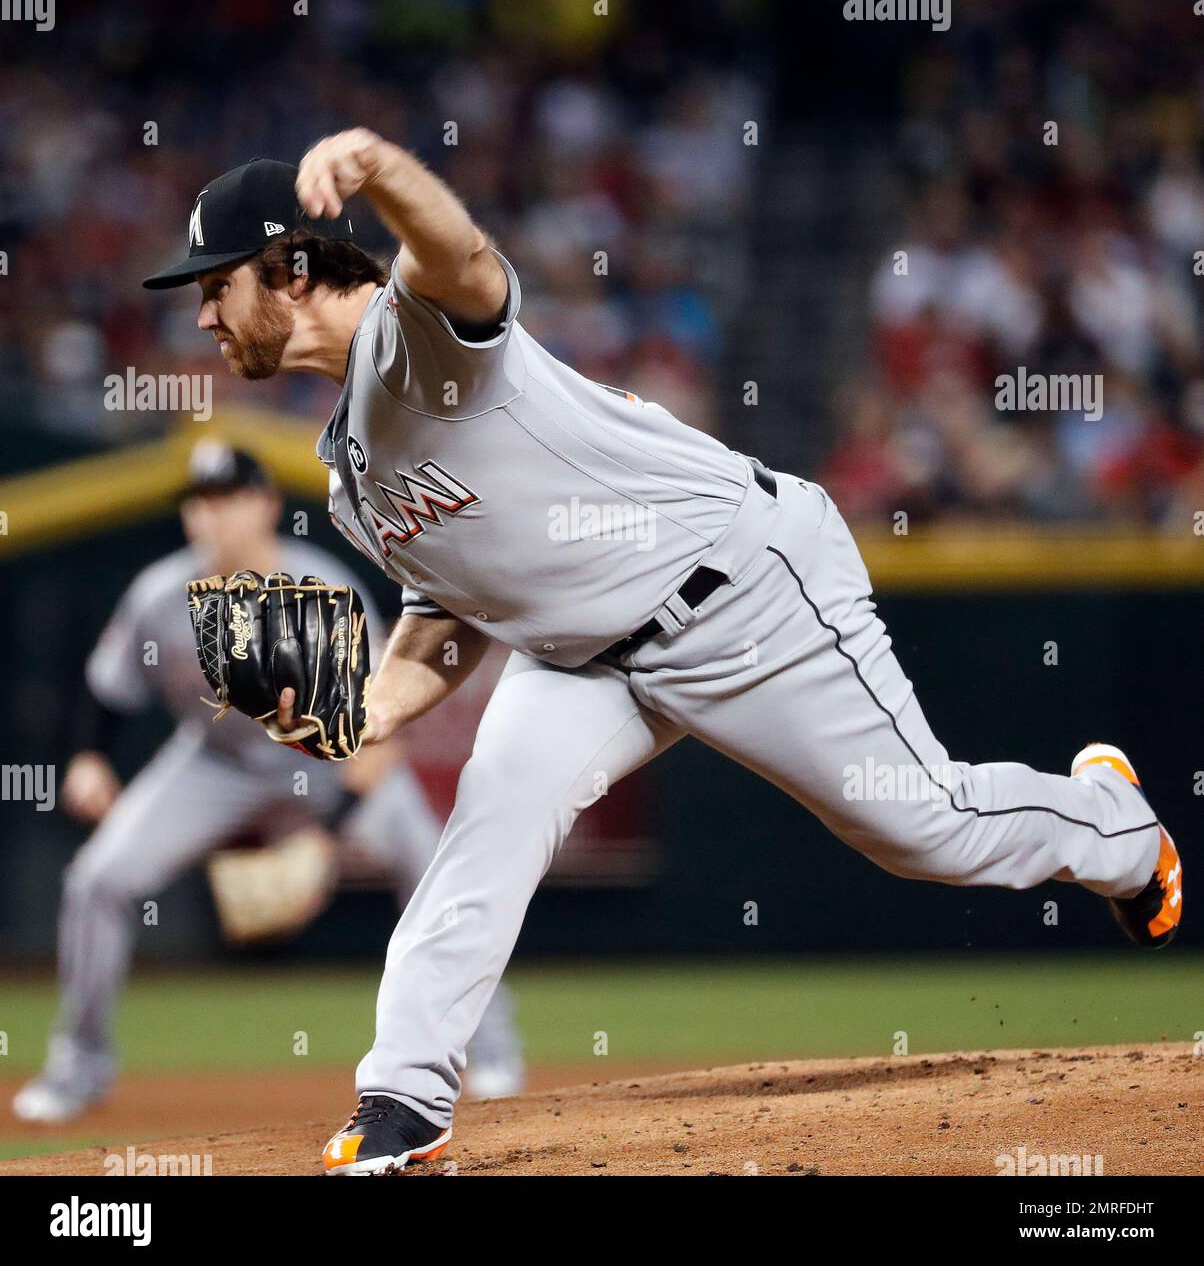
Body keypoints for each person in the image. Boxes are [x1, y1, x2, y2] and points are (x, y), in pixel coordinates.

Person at [138, 136, 1181, 1176]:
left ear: (295, 267)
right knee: (492, 818)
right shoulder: (348, 484)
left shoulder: (418, 340)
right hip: (582, 659)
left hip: (744, 593)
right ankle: (402, 1097)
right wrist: (360, 710)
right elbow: (443, 628)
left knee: (926, 829)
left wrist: (377, 167)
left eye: (216, 285)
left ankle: (1116, 825)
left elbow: (458, 257)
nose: (201, 316)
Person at [12, 438, 523, 1125]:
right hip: (214, 763)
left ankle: (490, 1050)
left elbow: (376, 741)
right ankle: (79, 1068)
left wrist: (323, 841)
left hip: (325, 760)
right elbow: (108, 690)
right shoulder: (160, 595)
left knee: (432, 866)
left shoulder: (325, 594)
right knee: (97, 879)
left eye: (225, 498)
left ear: (266, 504)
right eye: (198, 502)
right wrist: (88, 758)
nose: (208, 516)